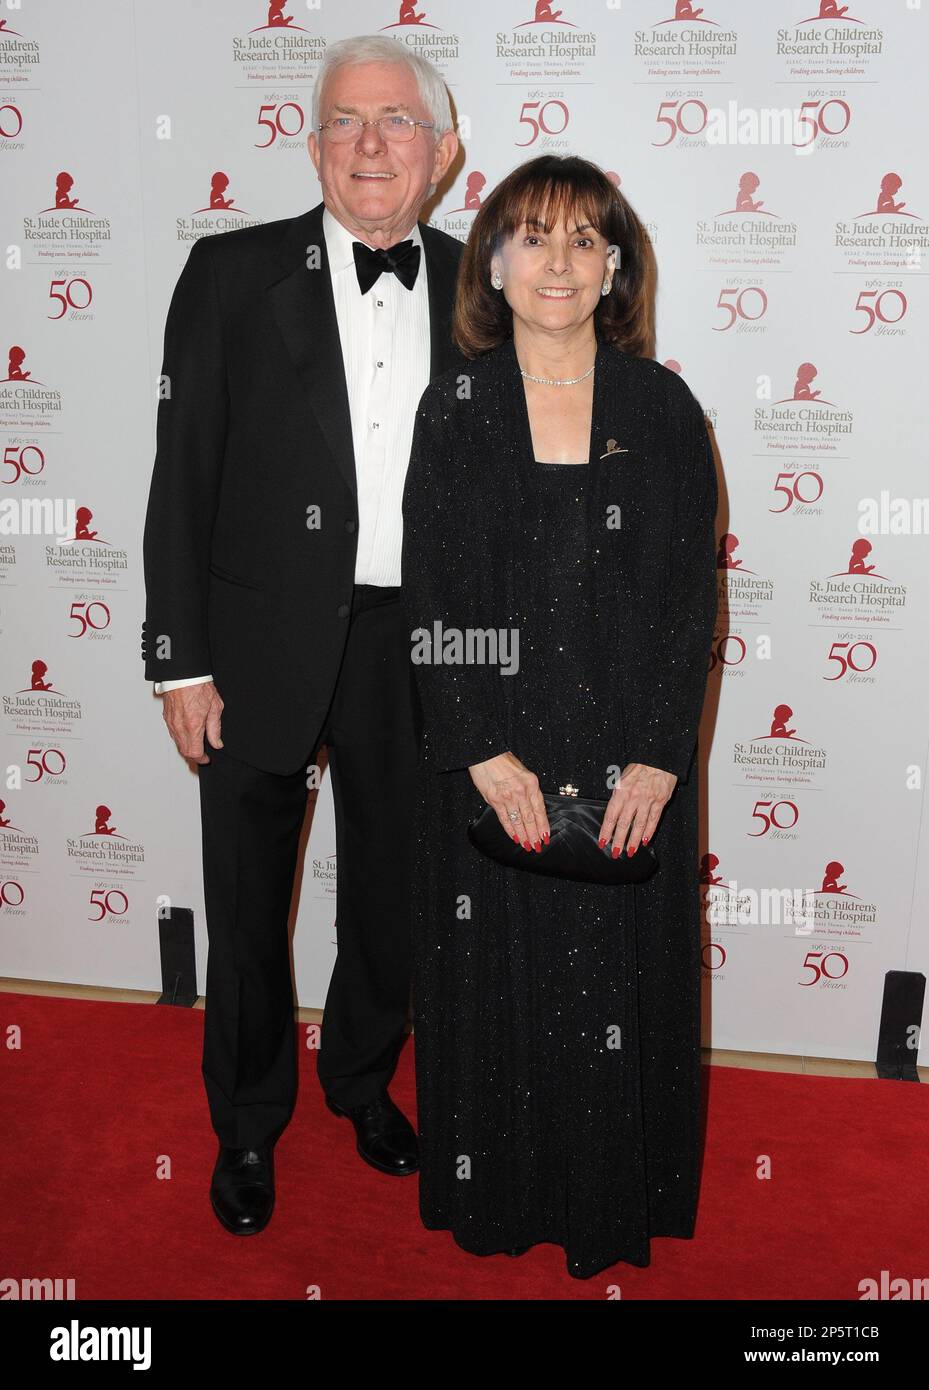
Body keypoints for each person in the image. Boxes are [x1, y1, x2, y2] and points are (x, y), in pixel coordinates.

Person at [142, 34, 461, 1235]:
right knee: (247, 903)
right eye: (346, 120)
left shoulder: (483, 285)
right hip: (255, 637)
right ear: (312, 140)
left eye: (395, 121)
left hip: (415, 648)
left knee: (392, 893)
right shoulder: (229, 275)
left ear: (440, 149)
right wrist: (179, 656)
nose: (371, 143)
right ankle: (245, 1125)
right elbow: (183, 479)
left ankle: (363, 1084)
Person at [401, 153, 719, 1278]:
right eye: (532, 235)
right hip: (498, 758)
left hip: (627, 755)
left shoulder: (660, 405)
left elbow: (690, 596)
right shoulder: (458, 407)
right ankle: (503, 1195)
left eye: (584, 239)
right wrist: (481, 746)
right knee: (498, 983)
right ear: (491, 259)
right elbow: (435, 600)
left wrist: (657, 756)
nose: (558, 261)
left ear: (614, 265)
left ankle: (611, 1196)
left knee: (614, 985)